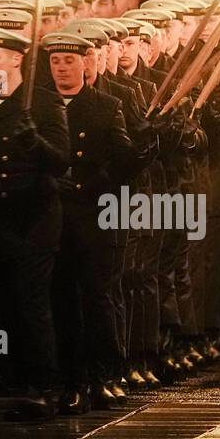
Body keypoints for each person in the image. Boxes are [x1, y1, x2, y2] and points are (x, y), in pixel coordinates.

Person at [0, 29, 70, 418]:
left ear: (17, 59)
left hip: (33, 219)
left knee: (31, 304)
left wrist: (35, 142)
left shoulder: (42, 102)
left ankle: (42, 384)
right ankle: (3, 376)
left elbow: (61, 161)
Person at [43, 32, 137, 413]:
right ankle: (71, 380)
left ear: (85, 63)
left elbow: (123, 160)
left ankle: (106, 375)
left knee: (98, 298)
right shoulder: (40, 107)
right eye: (55, 61)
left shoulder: (105, 106)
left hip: (95, 214)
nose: (62, 68)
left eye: (69, 61)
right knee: (61, 300)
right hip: (53, 215)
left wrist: (88, 182)